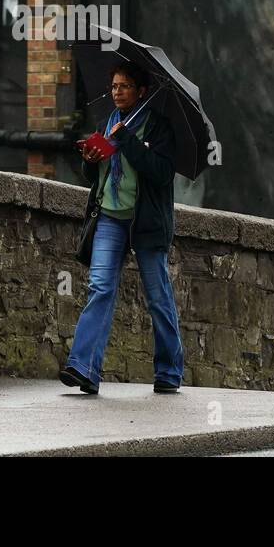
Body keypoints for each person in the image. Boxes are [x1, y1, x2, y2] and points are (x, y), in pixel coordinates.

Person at [59, 61, 185, 395]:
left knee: (157, 297)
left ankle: (169, 371)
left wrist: (127, 140)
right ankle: (83, 368)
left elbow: (161, 173)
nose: (117, 92)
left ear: (141, 91)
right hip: (111, 217)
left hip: (146, 222)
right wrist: (90, 161)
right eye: (114, 86)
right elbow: (96, 178)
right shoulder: (107, 124)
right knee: (100, 287)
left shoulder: (158, 128)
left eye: (125, 86)